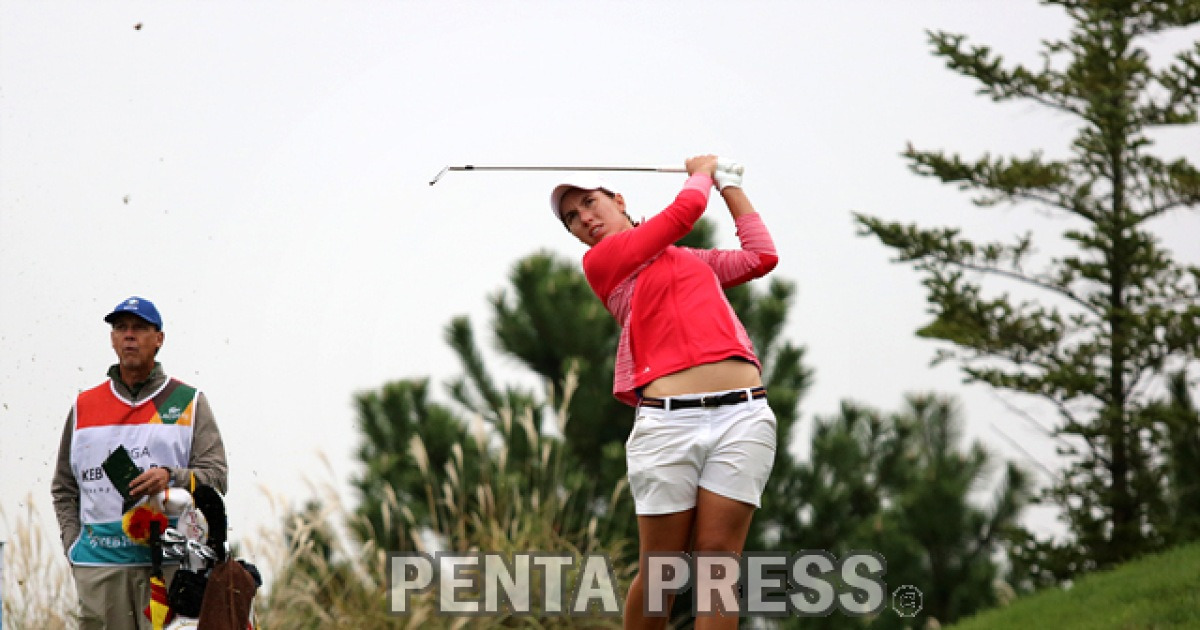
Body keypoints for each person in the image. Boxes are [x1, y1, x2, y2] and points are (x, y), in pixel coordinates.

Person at [550, 155, 779, 629]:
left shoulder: (691, 260)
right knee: (664, 570)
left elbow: (761, 257)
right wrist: (702, 173)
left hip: (744, 417)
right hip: (668, 422)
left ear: (618, 199)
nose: (584, 219)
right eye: (572, 217)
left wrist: (729, 184)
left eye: (589, 203)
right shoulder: (603, 262)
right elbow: (683, 214)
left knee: (719, 562)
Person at [51, 296, 228, 630]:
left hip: (171, 567)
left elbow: (217, 477)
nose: (128, 335)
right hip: (99, 567)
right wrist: (74, 546)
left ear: (159, 338)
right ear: (112, 339)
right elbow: (63, 487)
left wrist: (170, 477)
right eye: (120, 328)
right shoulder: (83, 405)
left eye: (139, 328)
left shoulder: (188, 401)